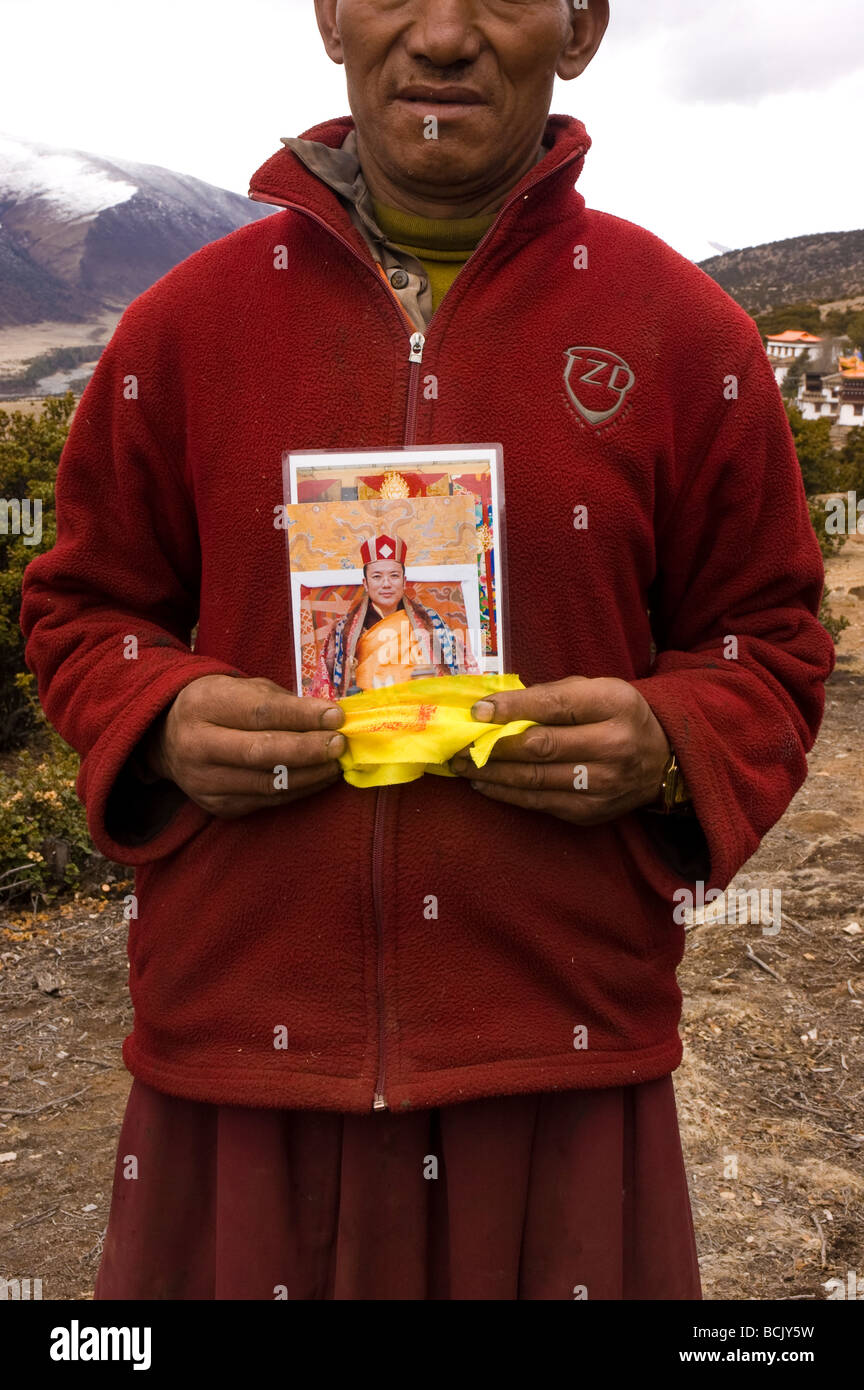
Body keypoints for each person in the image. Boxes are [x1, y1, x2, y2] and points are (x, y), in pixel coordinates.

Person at [20, 0, 833, 1301]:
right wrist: (163, 716)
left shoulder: (686, 338)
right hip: (237, 1063)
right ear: (331, 15)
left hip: (562, 1068)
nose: (443, 34)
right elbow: (79, 608)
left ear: (584, 29)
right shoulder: (178, 331)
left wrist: (669, 740)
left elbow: (775, 646)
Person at [309, 533, 478, 697]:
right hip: (364, 712)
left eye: (394, 576)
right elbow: (326, 685)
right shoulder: (344, 631)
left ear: (404, 582)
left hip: (420, 707)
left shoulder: (431, 621)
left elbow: (461, 669)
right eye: (377, 577)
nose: (386, 584)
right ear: (365, 584)